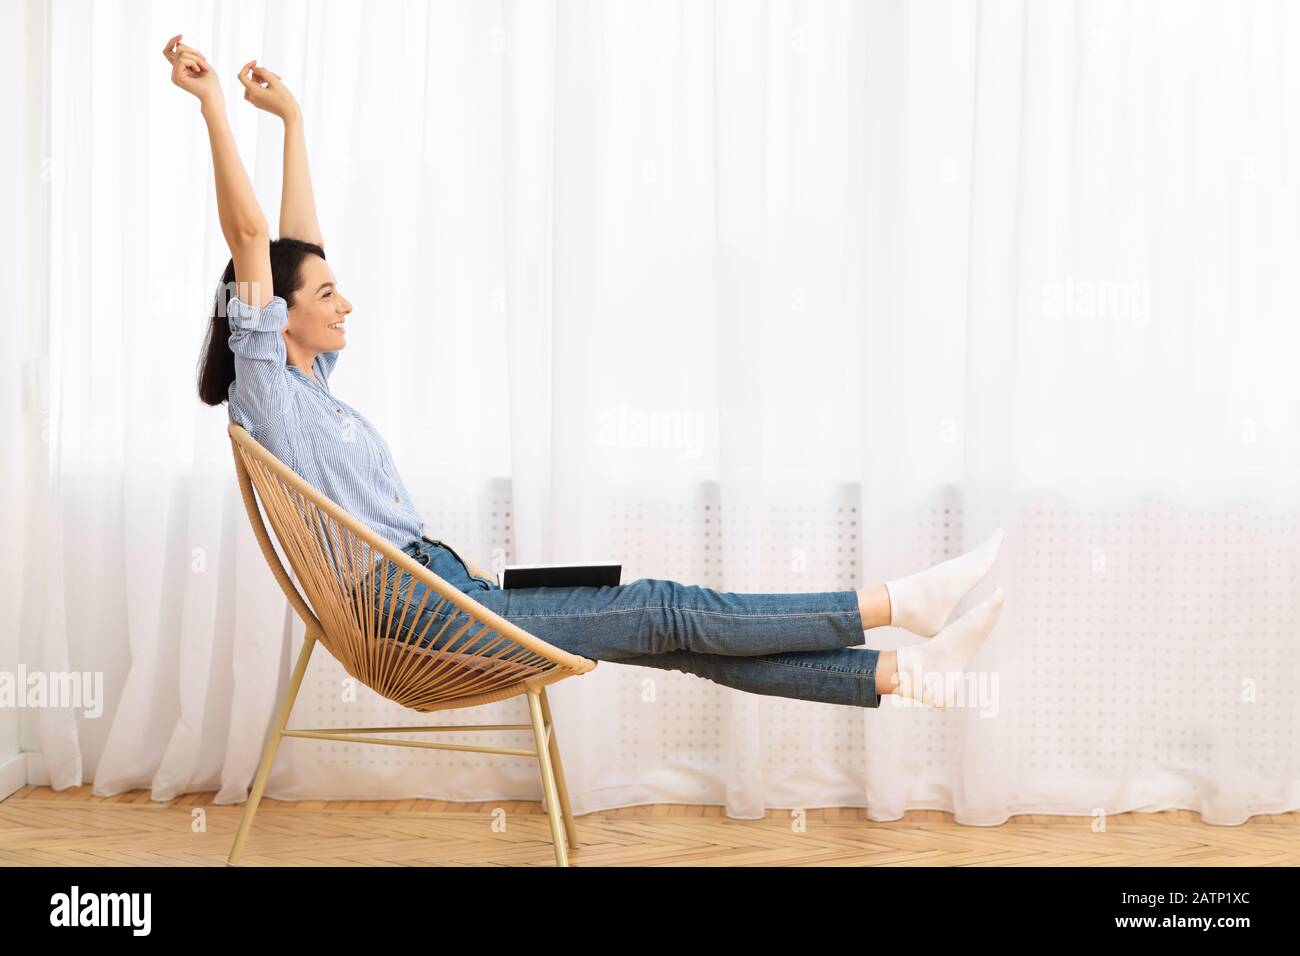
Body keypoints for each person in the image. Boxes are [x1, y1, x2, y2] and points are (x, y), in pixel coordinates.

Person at [173, 34, 1007, 712]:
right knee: (665, 605)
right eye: (327, 295)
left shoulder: (309, 382)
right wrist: (214, 106)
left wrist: (294, 124)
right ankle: (896, 605)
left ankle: (903, 675)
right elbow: (254, 240)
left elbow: (291, 246)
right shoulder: (269, 390)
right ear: (275, 317)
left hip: (447, 587)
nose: (345, 301)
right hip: (420, 613)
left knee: (676, 639)